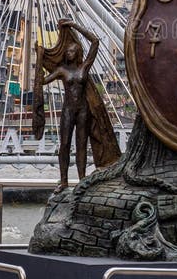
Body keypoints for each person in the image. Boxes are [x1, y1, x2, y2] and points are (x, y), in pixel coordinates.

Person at [33, 19, 120, 192]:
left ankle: (81, 179)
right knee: (64, 144)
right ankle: (64, 181)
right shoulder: (62, 70)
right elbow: (42, 81)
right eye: (68, 51)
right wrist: (40, 57)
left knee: (82, 144)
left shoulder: (84, 68)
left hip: (83, 110)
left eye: (73, 50)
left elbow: (95, 41)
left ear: (78, 51)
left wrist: (73, 25)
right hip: (68, 110)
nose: (69, 53)